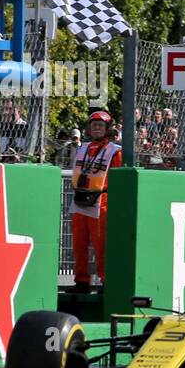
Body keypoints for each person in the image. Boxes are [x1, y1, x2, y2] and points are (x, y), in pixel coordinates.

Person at [68, 110, 123, 294]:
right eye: (94, 125)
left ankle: (105, 280)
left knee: (101, 245)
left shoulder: (114, 151)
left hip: (101, 202)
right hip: (79, 200)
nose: (97, 128)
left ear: (107, 129)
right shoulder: (82, 148)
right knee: (79, 243)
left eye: (100, 125)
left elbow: (117, 178)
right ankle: (81, 281)